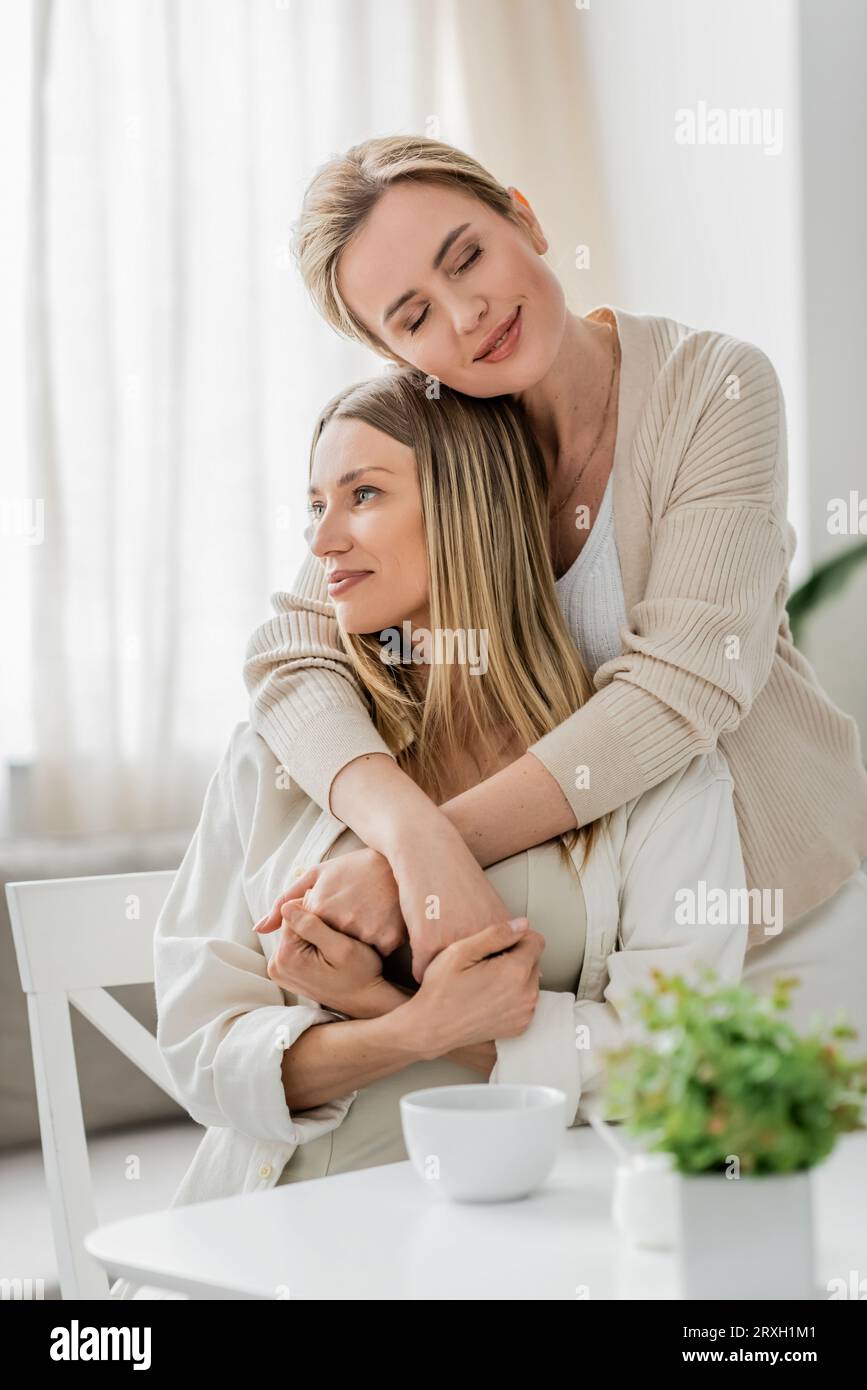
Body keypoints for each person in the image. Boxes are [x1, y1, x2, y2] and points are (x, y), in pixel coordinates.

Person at [110, 370, 747, 1299]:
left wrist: (384, 1011)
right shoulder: (279, 752)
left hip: (533, 1256)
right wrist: (417, 1024)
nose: (320, 540)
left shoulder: (648, 765)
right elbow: (205, 1057)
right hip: (275, 1248)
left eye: (363, 495)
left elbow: (675, 1061)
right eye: (315, 504)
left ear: (467, 509)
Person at [244, 134, 867, 1031]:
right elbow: (292, 650)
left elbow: (680, 687)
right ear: (393, 355)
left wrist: (410, 864)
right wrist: (403, 832)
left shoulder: (711, 388)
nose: (467, 314)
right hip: (581, 952)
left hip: (777, 923)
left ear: (523, 219)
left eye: (468, 257)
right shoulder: (437, 443)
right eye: (414, 317)